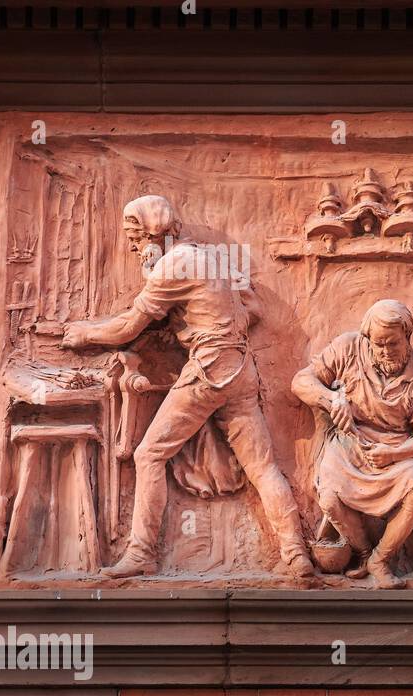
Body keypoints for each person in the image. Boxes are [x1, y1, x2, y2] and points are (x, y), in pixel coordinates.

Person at [61, 195, 314, 578]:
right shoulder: (207, 258)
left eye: (135, 237)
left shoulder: (173, 266)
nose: (132, 246)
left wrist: (83, 334)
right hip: (241, 370)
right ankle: (297, 556)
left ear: (154, 232)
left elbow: (128, 327)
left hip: (208, 373)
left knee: (149, 454)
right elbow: (253, 310)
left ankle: (142, 554)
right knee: (262, 468)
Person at [291, 300, 413, 588]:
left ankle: (380, 559)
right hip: (348, 443)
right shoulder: (348, 348)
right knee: (330, 497)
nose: (385, 350)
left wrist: (393, 454)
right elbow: (300, 381)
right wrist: (332, 399)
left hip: (391, 450)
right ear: (367, 338)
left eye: (392, 343)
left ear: (407, 336)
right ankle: (363, 552)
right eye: (378, 343)